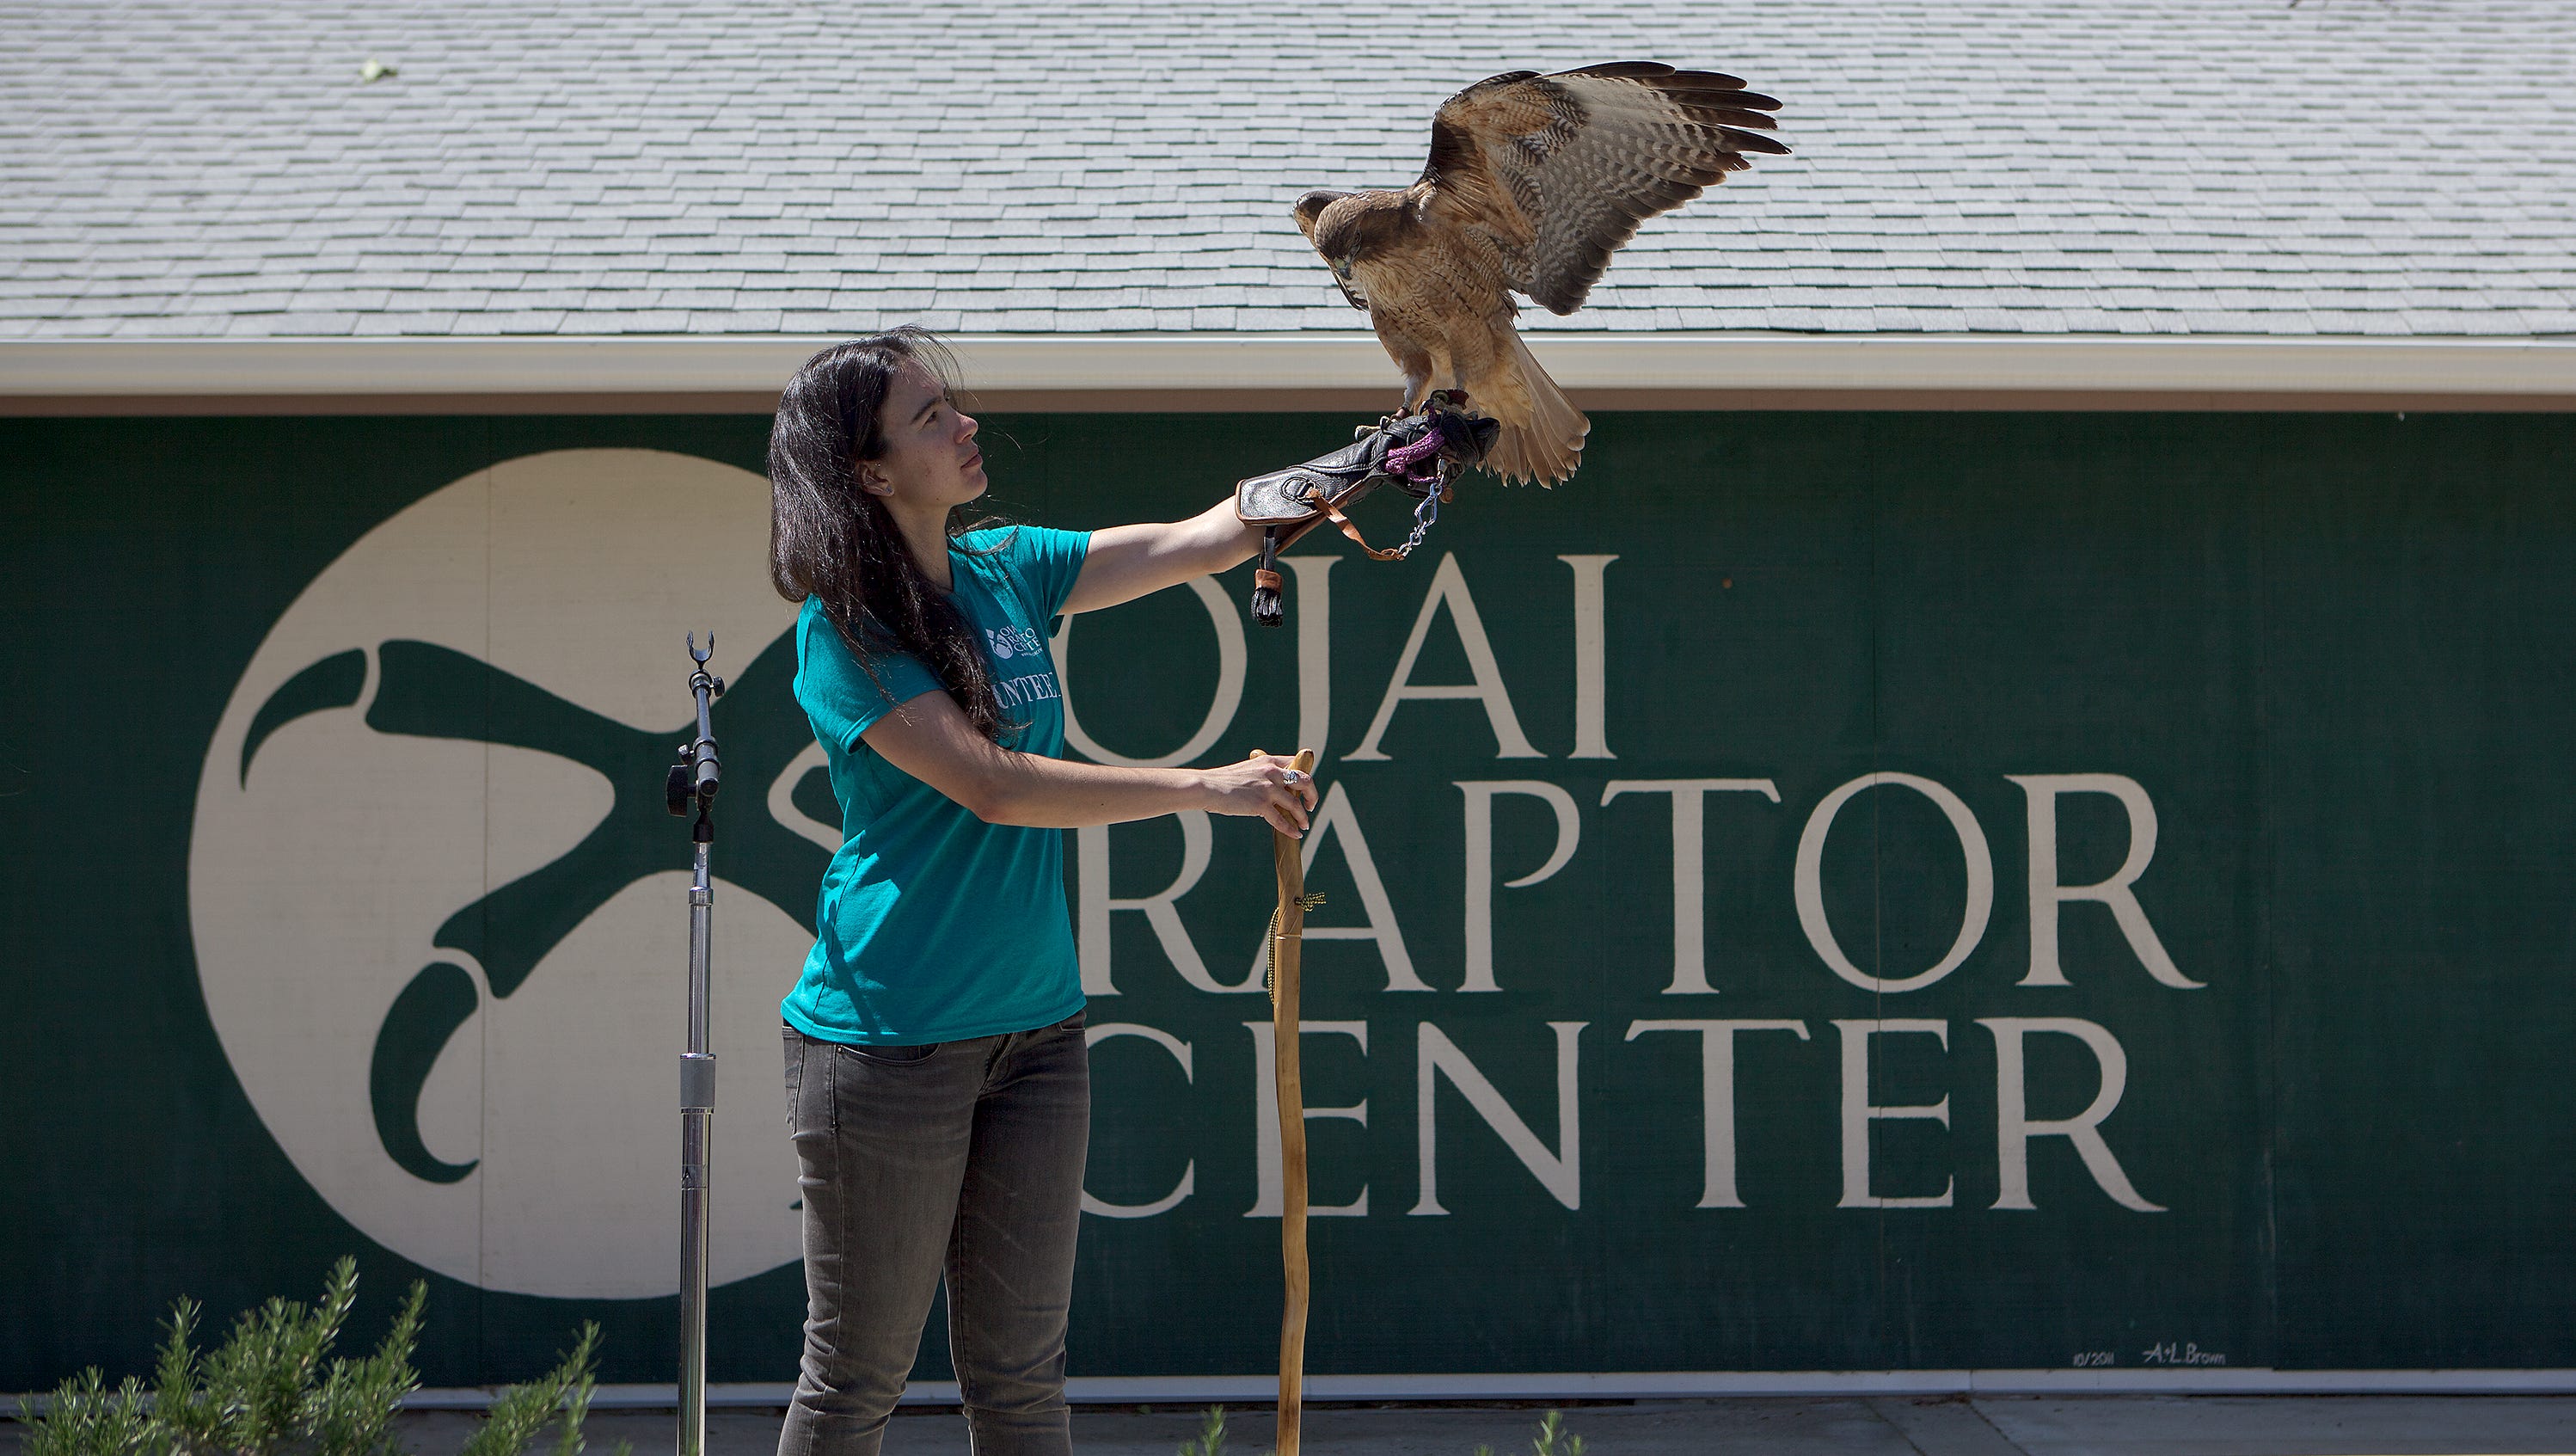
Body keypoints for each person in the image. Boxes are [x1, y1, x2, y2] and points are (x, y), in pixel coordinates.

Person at [764, 328, 1320, 1456]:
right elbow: (992, 785)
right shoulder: (845, 634)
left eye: (950, 406)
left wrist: (1342, 470)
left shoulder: (1004, 565)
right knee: (856, 1380)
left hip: (1040, 1037)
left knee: (1021, 1383)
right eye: (930, 417)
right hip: (888, 1046)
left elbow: (1188, 539)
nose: (966, 425)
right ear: (867, 473)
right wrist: (1205, 784)